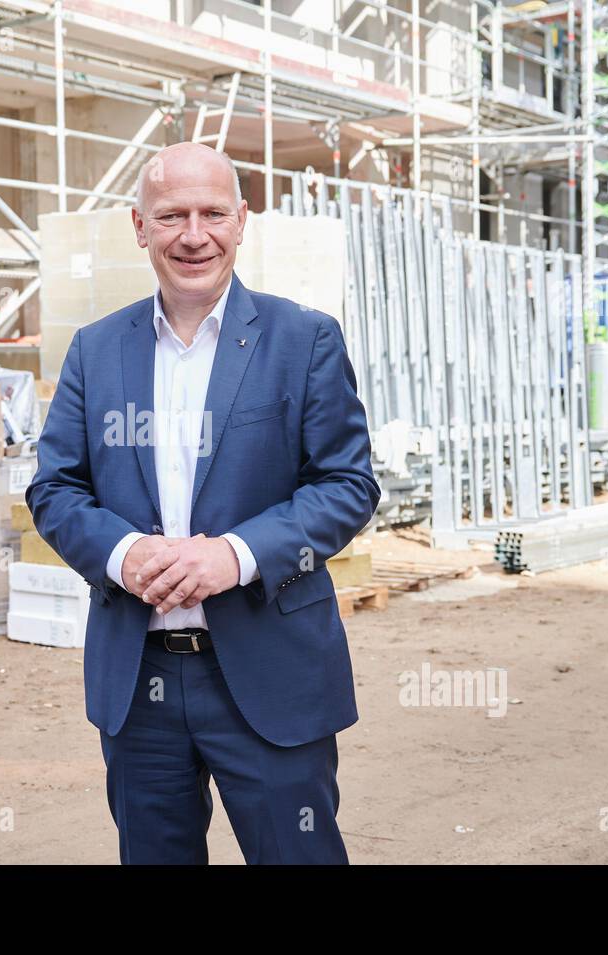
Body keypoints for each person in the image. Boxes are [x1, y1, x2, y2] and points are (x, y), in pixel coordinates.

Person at [25, 141, 380, 864]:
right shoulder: (96, 351)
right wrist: (125, 555)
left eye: (213, 213)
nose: (194, 234)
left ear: (242, 221)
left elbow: (348, 484)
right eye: (172, 215)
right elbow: (55, 488)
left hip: (268, 670)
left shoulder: (303, 339)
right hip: (139, 679)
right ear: (139, 226)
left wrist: (237, 554)